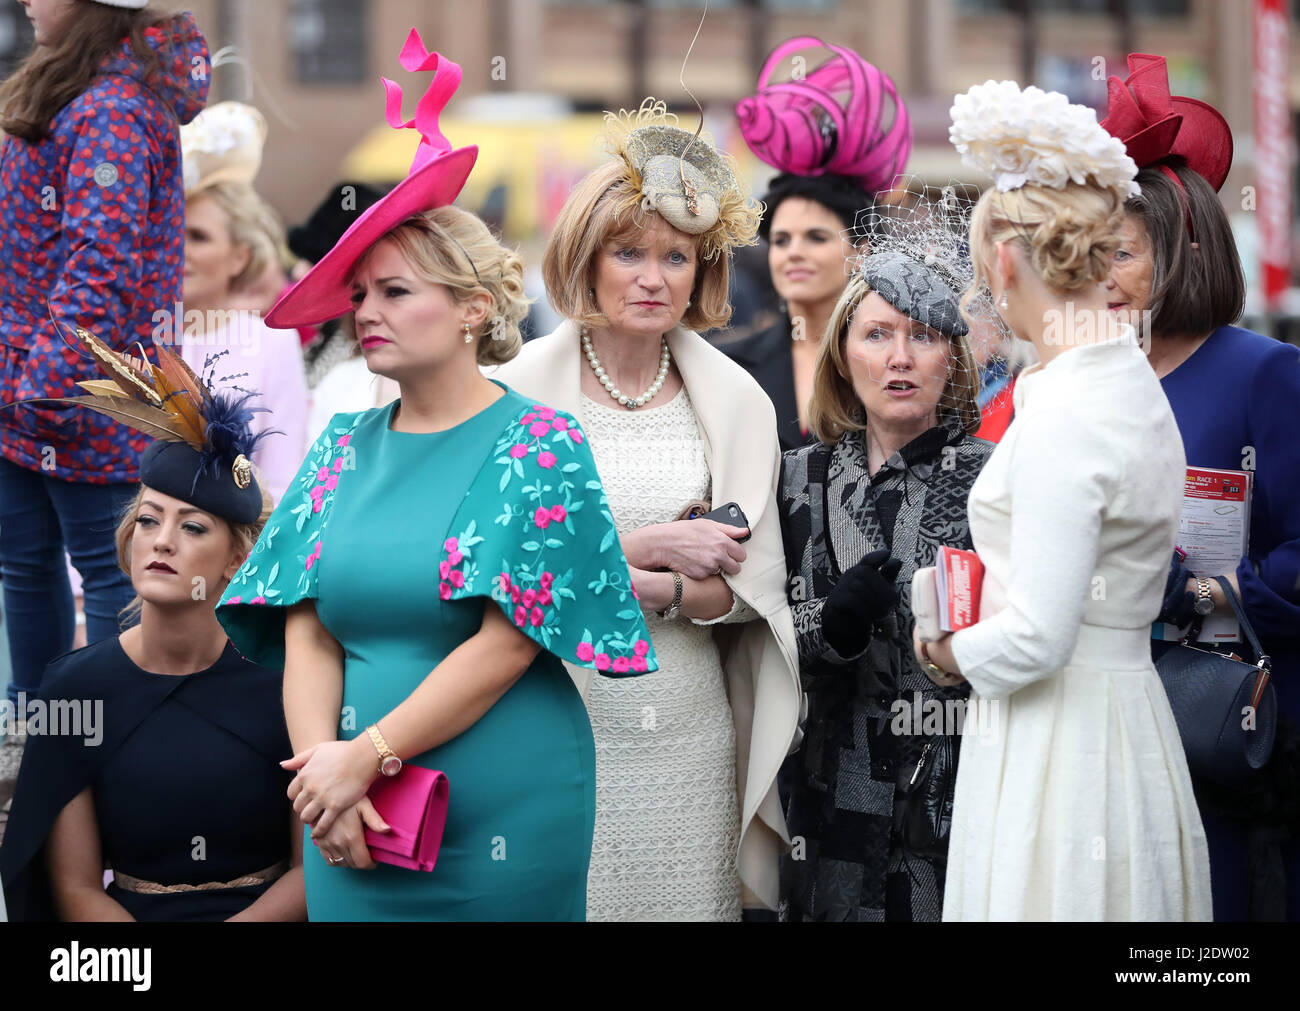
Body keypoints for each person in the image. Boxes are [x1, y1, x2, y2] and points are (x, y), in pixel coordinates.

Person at [214, 32, 659, 922]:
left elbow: (508, 642)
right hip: (347, 809)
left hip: (504, 809)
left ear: (472, 310)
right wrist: (321, 779)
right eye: (361, 295)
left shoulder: (539, 442)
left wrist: (365, 753)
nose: (367, 313)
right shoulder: (340, 441)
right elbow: (307, 628)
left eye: (396, 293)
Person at [492, 99, 801, 920]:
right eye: (628, 252)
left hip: (687, 730)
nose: (654, 276)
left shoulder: (737, 400)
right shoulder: (513, 390)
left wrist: (656, 587)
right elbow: (490, 566)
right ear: (585, 261)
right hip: (548, 711)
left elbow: (748, 589)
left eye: (677, 256)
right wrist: (651, 544)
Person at [923, 80, 1211, 921]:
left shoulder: (1069, 411)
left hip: (1065, 741)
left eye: (985, 271)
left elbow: (1039, 639)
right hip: (1120, 717)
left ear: (1006, 261)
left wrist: (941, 650)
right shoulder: (1121, 376)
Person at [0, 327, 303, 922]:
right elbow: (75, 889)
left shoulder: (290, 680)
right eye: (148, 520)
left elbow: (314, 870)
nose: (162, 541)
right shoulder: (76, 690)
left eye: (193, 528)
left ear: (237, 561)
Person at [1101, 52, 1300, 921]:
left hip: (1233, 716)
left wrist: (1217, 591)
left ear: (1184, 247)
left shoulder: (1267, 371)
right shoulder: (1094, 377)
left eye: (1121, 251)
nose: (1098, 271)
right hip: (1114, 706)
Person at [777, 188, 995, 921]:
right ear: (842, 351)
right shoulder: (797, 478)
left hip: (956, 798)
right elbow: (757, 633)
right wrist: (827, 626)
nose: (899, 357)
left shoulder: (996, 476)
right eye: (876, 335)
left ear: (952, 356)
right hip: (826, 805)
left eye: (922, 336)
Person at [0, 0, 208, 719]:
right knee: (27, 567)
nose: (28, 1)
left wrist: (47, 387)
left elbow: (101, 264)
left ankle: (115, 745)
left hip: (88, 391)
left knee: (113, 572)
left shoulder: (113, 108)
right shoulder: (84, 92)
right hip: (39, 384)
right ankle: (36, 732)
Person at [726, 37, 912, 451]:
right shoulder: (728, 366)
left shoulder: (896, 364)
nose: (794, 251)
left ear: (861, 250)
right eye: (781, 239)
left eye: (816, 237)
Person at [178, 101, 309, 503]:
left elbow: (285, 481)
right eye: (170, 231)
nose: (177, 249)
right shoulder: (124, 335)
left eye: (198, 237)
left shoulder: (271, 343)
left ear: (240, 256)